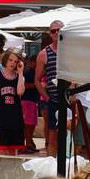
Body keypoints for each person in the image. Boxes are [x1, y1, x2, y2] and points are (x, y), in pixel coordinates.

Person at [0, 49, 26, 154]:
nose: (13, 63)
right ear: (6, 59)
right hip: (1, 118)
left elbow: (20, 92)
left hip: (15, 118)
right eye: (10, 60)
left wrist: (21, 72)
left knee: (13, 151)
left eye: (15, 61)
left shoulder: (20, 77)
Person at [35, 21, 64, 158]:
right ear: (49, 33)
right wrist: (46, 97)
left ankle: (67, 164)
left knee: (69, 134)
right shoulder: (44, 54)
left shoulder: (70, 50)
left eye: (59, 30)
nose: (57, 33)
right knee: (52, 133)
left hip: (69, 99)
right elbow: (37, 80)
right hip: (53, 99)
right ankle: (53, 164)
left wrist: (73, 89)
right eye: (53, 31)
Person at [20, 58, 41, 155]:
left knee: (32, 124)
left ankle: (29, 143)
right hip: (27, 101)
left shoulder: (36, 72)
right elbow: (24, 85)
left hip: (34, 101)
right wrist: (37, 85)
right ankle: (27, 144)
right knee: (28, 124)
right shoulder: (28, 72)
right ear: (32, 62)